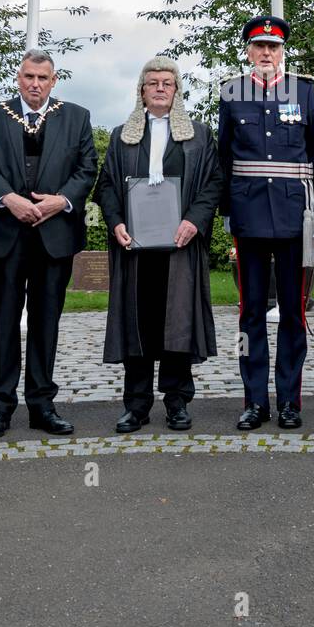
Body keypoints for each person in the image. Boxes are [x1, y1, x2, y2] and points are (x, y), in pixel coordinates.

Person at [0, 49, 97, 437]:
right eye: (28, 77)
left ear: (54, 80)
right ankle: (0, 407)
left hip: (54, 236)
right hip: (5, 235)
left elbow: (87, 168)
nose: (35, 84)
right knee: (3, 322)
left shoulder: (76, 116)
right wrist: (10, 199)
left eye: (43, 78)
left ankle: (42, 404)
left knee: (46, 323)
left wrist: (63, 200)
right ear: (18, 78)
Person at [97, 57, 223, 433]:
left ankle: (177, 401)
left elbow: (214, 183)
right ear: (141, 90)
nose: (160, 88)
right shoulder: (123, 135)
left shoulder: (198, 135)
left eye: (167, 83)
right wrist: (116, 221)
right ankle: (136, 405)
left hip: (180, 245)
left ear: (177, 90)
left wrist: (194, 221)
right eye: (152, 83)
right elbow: (106, 186)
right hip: (134, 247)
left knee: (177, 324)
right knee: (138, 324)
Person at [218, 17, 314, 431]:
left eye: (273, 47)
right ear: (248, 49)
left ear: (283, 51)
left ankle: (288, 401)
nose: (266, 53)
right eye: (259, 46)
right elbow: (223, 155)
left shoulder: (303, 90)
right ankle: (254, 402)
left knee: (293, 312)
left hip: (293, 215)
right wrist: (226, 208)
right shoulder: (232, 91)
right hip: (248, 215)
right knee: (250, 312)